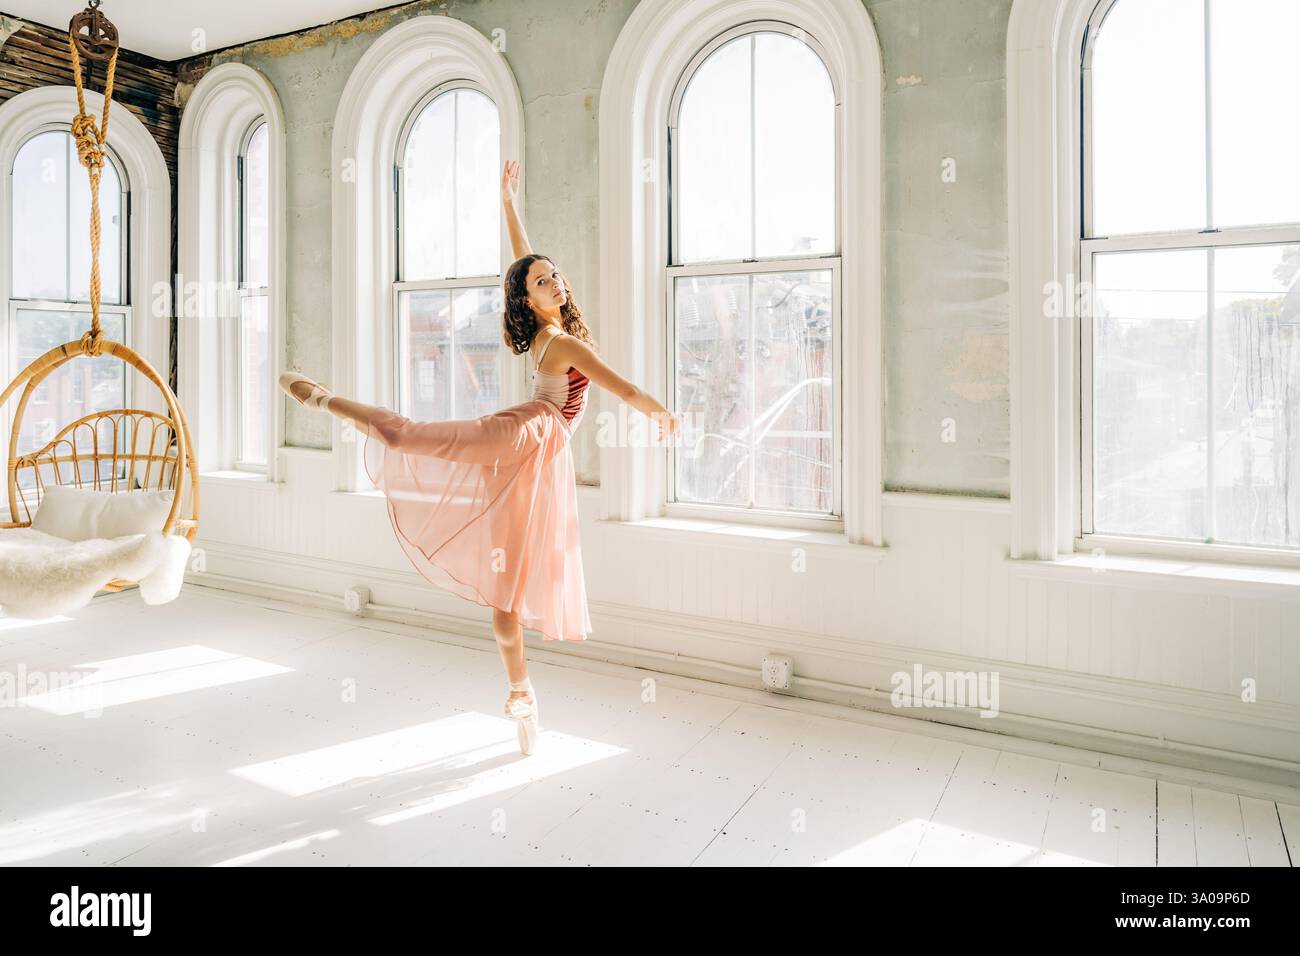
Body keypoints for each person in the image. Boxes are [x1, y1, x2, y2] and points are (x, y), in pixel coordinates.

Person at [279, 159, 680, 755]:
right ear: (527, 299)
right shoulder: (562, 340)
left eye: (557, 277)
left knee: (506, 593)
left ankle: (521, 694)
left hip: (540, 459)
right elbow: (620, 386)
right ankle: (329, 400)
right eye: (544, 283)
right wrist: (661, 414)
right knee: (416, 437)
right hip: (528, 434)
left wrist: (509, 205)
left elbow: (525, 263)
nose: (557, 283)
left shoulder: (554, 320)